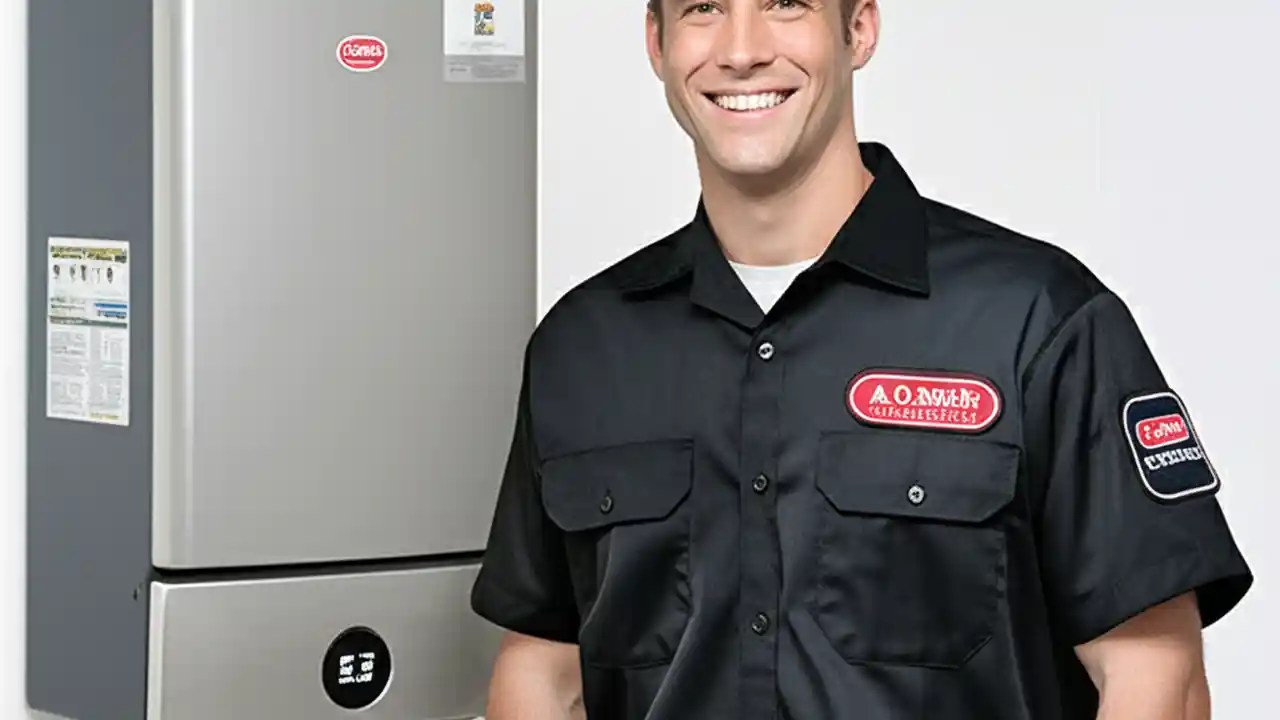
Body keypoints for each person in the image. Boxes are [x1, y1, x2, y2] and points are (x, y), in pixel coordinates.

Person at [469, 2, 1252, 719]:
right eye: (703, 8)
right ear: (657, 43)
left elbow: (1158, 677)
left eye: (785, 5)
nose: (741, 51)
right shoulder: (581, 348)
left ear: (859, 30)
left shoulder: (1036, 319)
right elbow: (543, 670)